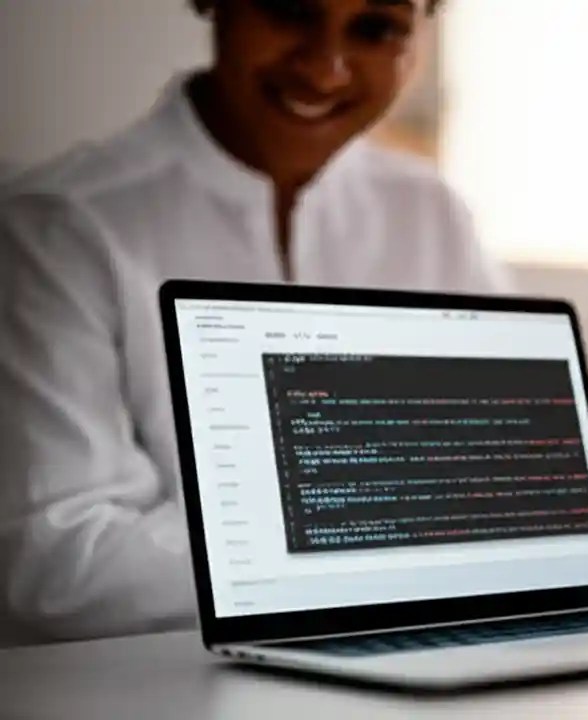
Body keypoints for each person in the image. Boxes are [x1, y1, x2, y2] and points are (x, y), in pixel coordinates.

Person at [0, 0, 505, 644]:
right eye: (288, 10)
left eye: (376, 29)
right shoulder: (57, 226)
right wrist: (403, 529)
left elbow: (551, 498)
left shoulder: (432, 215)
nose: (325, 70)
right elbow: (57, 566)